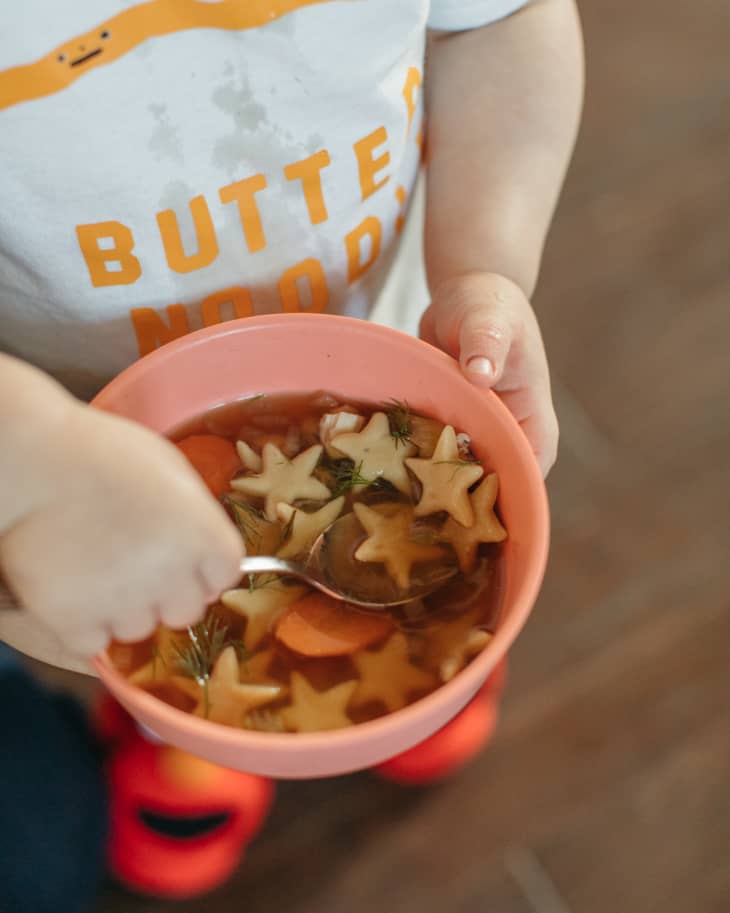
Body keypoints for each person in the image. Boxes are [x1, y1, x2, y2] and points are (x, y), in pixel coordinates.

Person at [0, 1, 583, 910]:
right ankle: (188, 736)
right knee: (182, 637)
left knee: (451, 576)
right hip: (85, 470)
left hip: (408, 382)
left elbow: (500, 21)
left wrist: (486, 263)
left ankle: (439, 664)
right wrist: (24, 472)